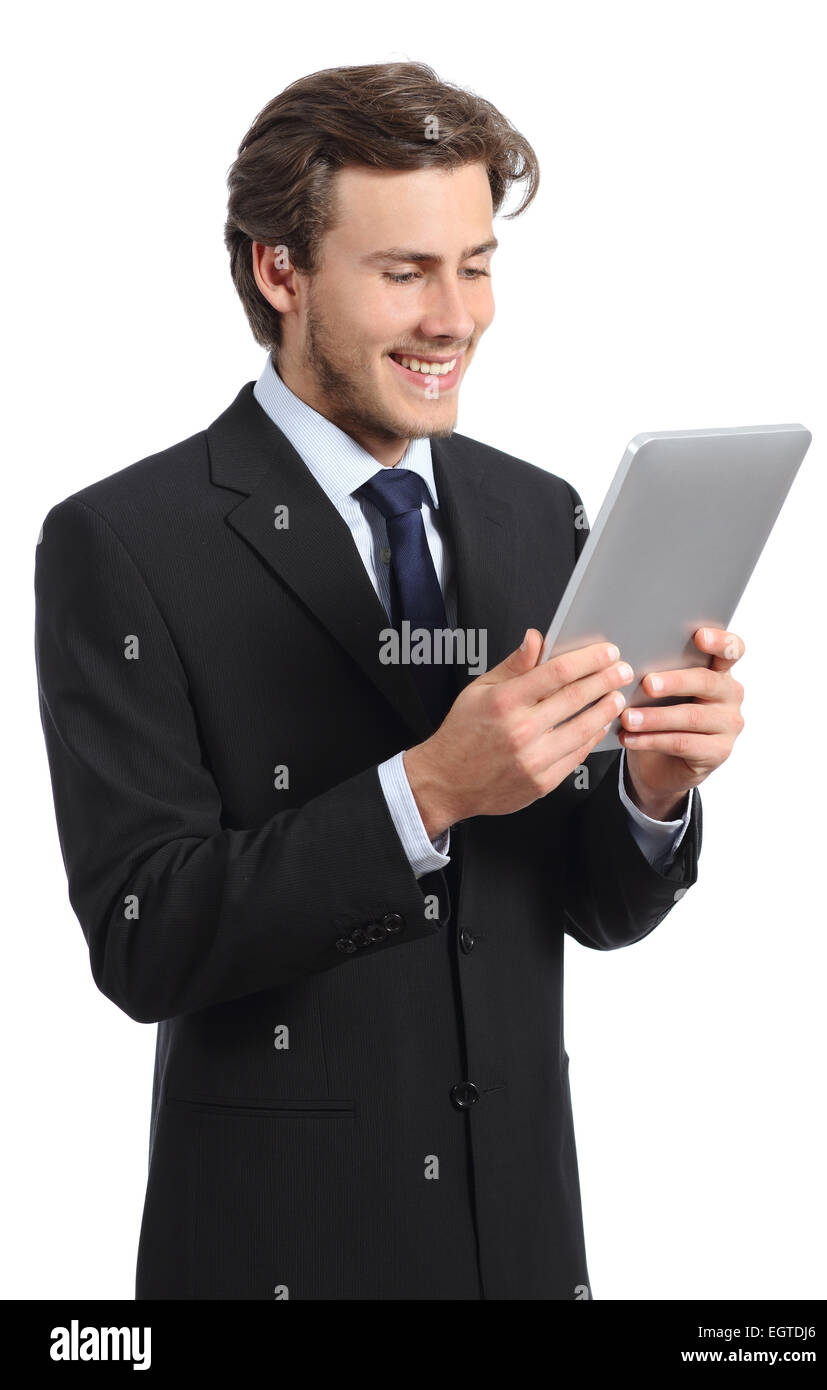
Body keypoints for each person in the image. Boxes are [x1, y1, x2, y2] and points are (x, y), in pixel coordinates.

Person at [34, 60, 745, 1300]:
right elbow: (142, 936)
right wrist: (421, 792)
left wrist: (647, 789)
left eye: (474, 264)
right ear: (278, 270)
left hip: (522, 1249)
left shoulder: (535, 514)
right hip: (280, 1257)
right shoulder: (124, 542)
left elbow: (587, 905)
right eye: (404, 271)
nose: (453, 318)